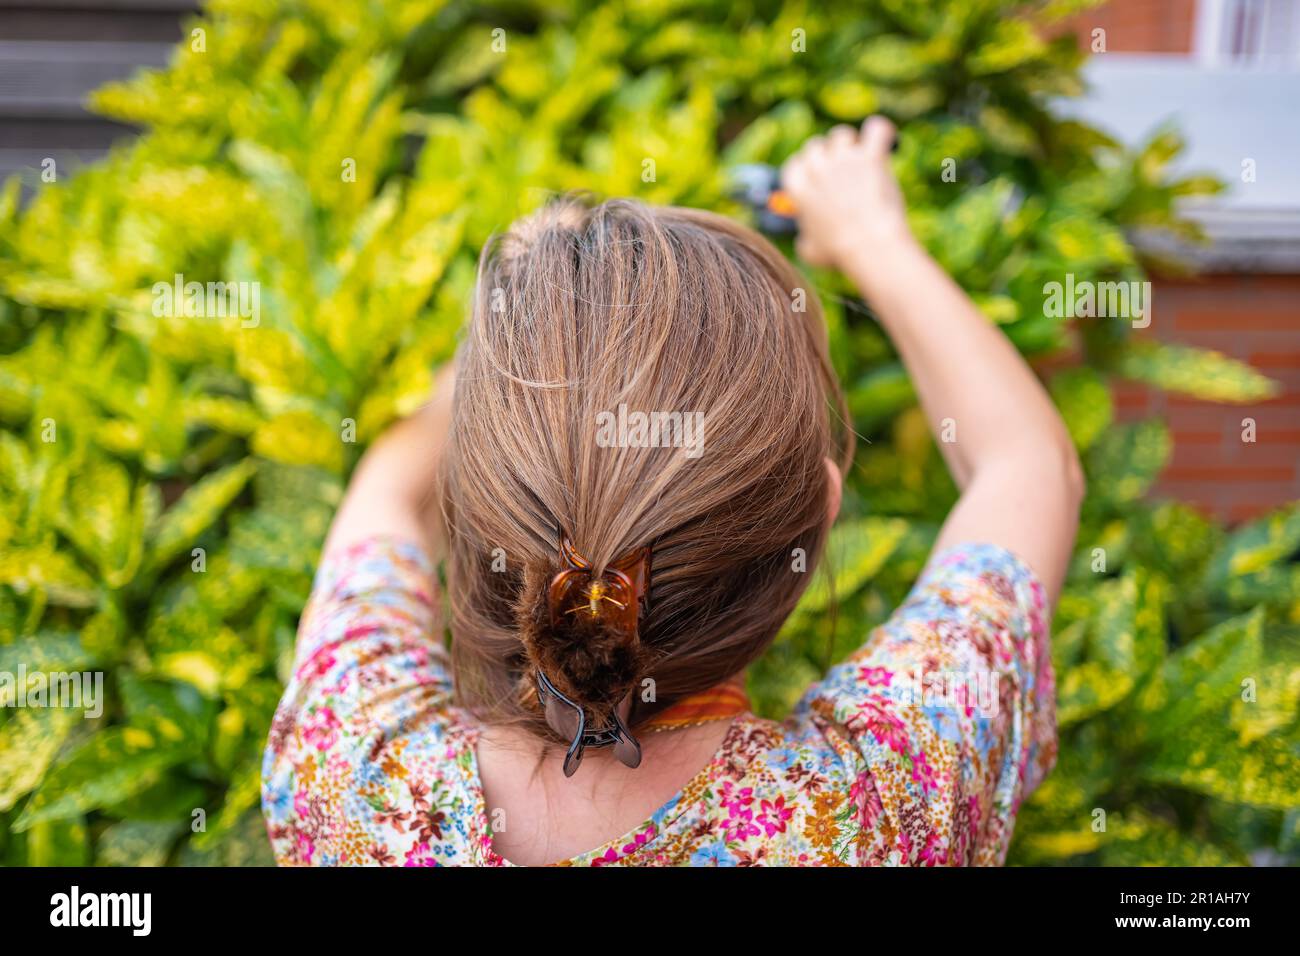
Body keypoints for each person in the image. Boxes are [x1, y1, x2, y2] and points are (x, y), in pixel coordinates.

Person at [261, 116, 1083, 867]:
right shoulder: (874, 813)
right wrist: (873, 236)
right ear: (824, 509)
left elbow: (390, 494)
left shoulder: (361, 782)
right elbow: (1026, 465)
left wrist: (518, 317)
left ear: (479, 502)